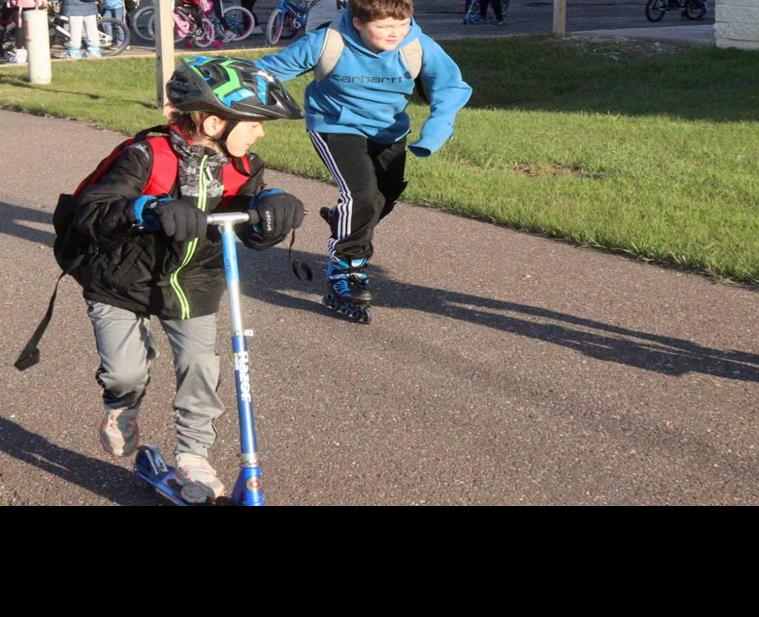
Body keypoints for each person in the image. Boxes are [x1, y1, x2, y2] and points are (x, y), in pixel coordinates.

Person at [68, 57, 305, 501]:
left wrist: (273, 206)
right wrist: (147, 209)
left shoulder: (243, 164)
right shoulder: (143, 155)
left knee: (200, 366)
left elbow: (250, 213)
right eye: (255, 123)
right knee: (125, 371)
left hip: (193, 282)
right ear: (215, 121)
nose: (261, 132)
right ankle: (122, 406)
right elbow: (92, 211)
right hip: (122, 282)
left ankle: (194, 453)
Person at [256, 0, 471, 323]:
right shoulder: (327, 42)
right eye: (384, 27)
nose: (395, 34)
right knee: (362, 197)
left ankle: (344, 219)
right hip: (335, 126)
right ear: (357, 21)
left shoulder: (417, 45)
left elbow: (450, 87)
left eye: (402, 25)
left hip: (389, 129)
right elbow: (266, 72)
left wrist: (437, 128)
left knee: (385, 196)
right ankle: (347, 268)